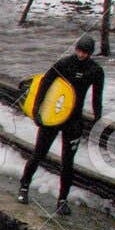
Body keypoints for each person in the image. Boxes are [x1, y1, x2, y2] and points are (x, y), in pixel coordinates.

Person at [18, 33, 105, 216]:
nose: (82, 55)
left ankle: (62, 200)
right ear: (76, 49)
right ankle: (24, 186)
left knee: (67, 162)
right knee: (39, 153)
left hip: (73, 120)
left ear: (91, 54)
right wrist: (37, 110)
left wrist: (97, 118)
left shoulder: (95, 71)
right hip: (52, 116)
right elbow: (45, 84)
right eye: (80, 51)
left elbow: (97, 96)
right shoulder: (64, 64)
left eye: (86, 53)